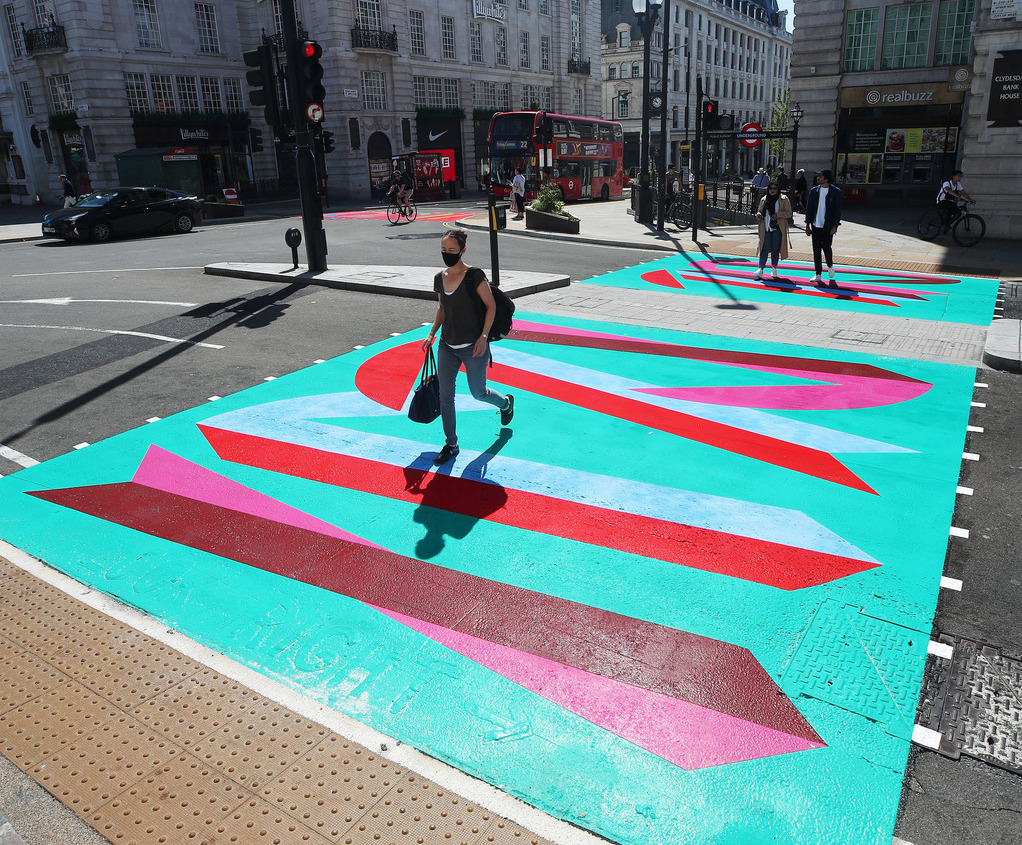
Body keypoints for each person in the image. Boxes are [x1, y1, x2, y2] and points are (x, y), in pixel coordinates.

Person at [422, 228, 515, 465]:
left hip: (473, 346)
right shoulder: (439, 278)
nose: (447, 254)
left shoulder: (474, 276)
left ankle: (505, 403)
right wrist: (431, 334)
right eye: (443, 249)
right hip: (447, 345)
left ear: (462, 250)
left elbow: (491, 306)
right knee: (445, 396)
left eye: (451, 250)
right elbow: (442, 308)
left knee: (478, 392)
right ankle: (451, 444)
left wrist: (483, 337)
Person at [803, 169, 843, 284]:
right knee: (816, 250)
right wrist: (807, 225)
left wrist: (835, 225)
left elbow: (837, 210)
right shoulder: (814, 191)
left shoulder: (835, 191)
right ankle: (818, 274)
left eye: (820, 176)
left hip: (828, 225)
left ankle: (830, 265)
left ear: (826, 178)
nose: (817, 178)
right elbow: (809, 208)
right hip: (815, 225)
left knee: (826, 247)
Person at [754, 181, 792, 280]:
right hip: (766, 227)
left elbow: (789, 213)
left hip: (778, 228)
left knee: (776, 248)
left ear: (778, 189)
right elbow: (759, 211)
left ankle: (774, 267)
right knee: (764, 247)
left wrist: (778, 214)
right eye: (770, 188)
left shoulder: (783, 199)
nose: (772, 190)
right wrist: (759, 215)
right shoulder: (764, 199)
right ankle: (760, 268)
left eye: (775, 188)